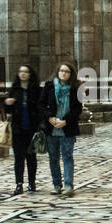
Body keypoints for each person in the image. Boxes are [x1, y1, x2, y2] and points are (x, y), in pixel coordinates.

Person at [41, 62, 82, 195]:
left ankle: (69, 185)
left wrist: (65, 121)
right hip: (52, 128)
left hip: (67, 127)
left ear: (71, 74)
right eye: (61, 70)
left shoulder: (75, 88)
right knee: (53, 157)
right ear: (57, 72)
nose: (63, 73)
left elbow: (77, 109)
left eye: (67, 71)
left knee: (67, 156)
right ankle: (57, 184)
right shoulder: (49, 87)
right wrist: (50, 118)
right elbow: (41, 105)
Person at [4, 64, 41, 195]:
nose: (23, 74)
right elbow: (8, 110)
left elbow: (40, 107)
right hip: (18, 128)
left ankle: (32, 182)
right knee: (18, 158)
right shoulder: (15, 90)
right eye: (21, 71)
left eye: (25, 72)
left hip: (31, 128)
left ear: (30, 74)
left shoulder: (35, 89)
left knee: (31, 157)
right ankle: (19, 184)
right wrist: (8, 104)